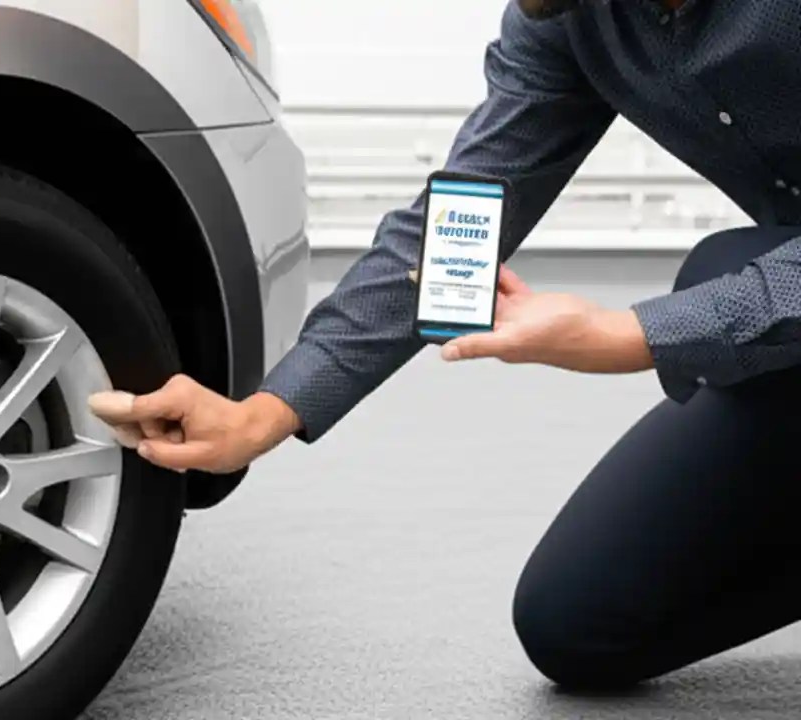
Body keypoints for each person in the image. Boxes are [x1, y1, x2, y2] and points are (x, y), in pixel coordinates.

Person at [89, 0, 801, 691]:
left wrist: (632, 334)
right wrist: (265, 413)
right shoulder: (576, 20)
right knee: (576, 624)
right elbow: (455, 227)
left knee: (715, 277)